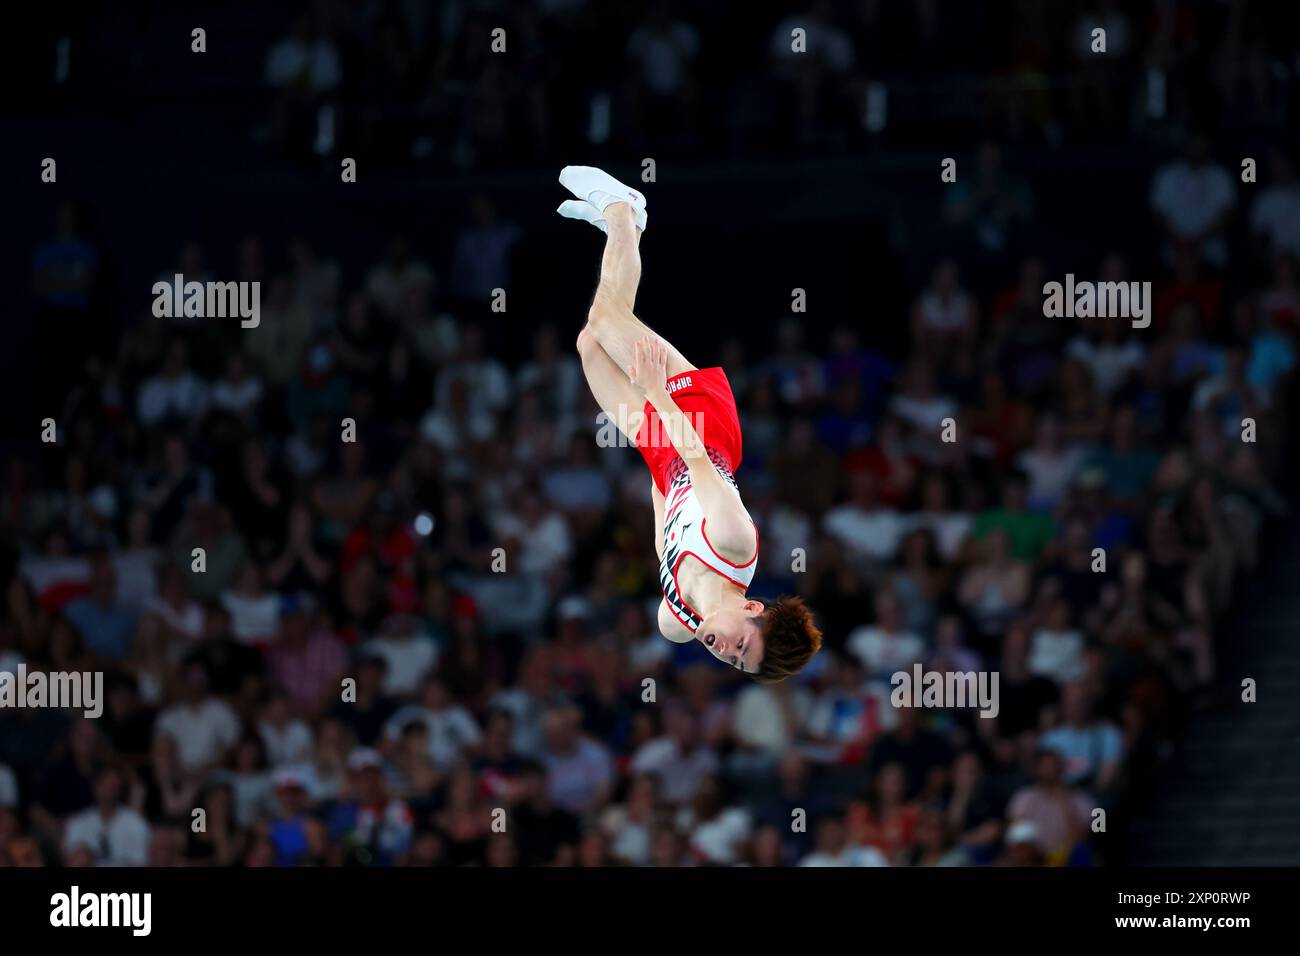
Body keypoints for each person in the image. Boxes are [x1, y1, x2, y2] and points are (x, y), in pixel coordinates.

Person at [558, 165, 822, 682]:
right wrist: (655, 392)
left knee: (589, 344)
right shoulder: (735, 541)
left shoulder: (675, 622)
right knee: (607, 320)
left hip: (664, 455)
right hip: (700, 427)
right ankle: (621, 212)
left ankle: (626, 223)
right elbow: (699, 459)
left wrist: (647, 444)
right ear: (750, 610)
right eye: (741, 645)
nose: (725, 651)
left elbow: (664, 536)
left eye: (733, 661)